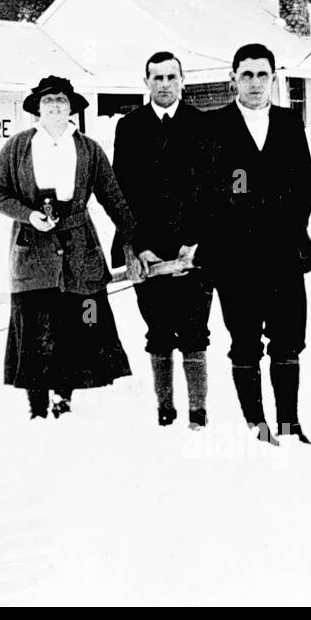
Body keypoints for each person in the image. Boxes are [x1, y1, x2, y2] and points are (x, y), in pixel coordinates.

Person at [0, 76, 140, 421]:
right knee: (36, 330)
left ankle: (64, 398)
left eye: (61, 100)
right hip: (32, 250)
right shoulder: (17, 148)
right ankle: (37, 409)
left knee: (80, 321)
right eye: (48, 101)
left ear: (72, 107)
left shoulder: (88, 149)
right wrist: (28, 215)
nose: (55, 106)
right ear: (37, 109)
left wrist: (135, 240)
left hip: (79, 248)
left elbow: (113, 198)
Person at [201, 43, 311, 445]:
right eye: (246, 74)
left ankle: (289, 425)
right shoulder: (214, 126)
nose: (254, 83)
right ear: (232, 77)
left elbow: (305, 186)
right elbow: (211, 194)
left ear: (273, 77)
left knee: (288, 339)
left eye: (261, 74)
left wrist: (287, 225)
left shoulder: (289, 123)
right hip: (236, 259)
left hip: (283, 252)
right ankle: (257, 427)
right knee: (246, 342)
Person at [110, 51, 213, 429]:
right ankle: (165, 410)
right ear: (146, 83)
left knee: (195, 333)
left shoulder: (202, 124)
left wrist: (194, 240)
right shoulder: (130, 127)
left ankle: (198, 412)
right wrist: (137, 246)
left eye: (172, 77)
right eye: (157, 78)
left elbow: (211, 189)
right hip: (148, 251)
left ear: (182, 81)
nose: (165, 84)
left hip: (194, 251)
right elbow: (120, 193)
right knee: (157, 332)